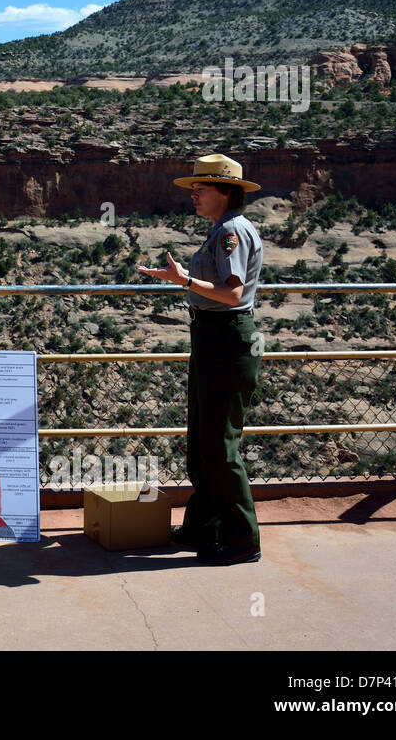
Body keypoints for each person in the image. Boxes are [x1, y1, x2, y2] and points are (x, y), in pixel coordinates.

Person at [137, 153, 264, 566]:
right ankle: (203, 527)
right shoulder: (221, 229)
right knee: (201, 442)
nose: (194, 194)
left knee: (220, 447)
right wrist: (183, 283)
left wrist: (184, 281)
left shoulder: (232, 233)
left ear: (225, 192)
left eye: (202, 188)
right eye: (194, 187)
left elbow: (231, 294)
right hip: (211, 337)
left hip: (227, 340)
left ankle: (242, 540)